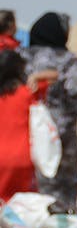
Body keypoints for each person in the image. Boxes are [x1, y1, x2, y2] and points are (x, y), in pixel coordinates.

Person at [22, 12, 77, 212]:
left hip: (25, 132)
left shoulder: (19, 57)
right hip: (62, 133)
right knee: (65, 186)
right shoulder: (66, 59)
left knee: (32, 187)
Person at [0, 51, 57, 201]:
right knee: (23, 209)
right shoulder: (28, 93)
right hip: (22, 158)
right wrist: (36, 77)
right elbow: (55, 75)